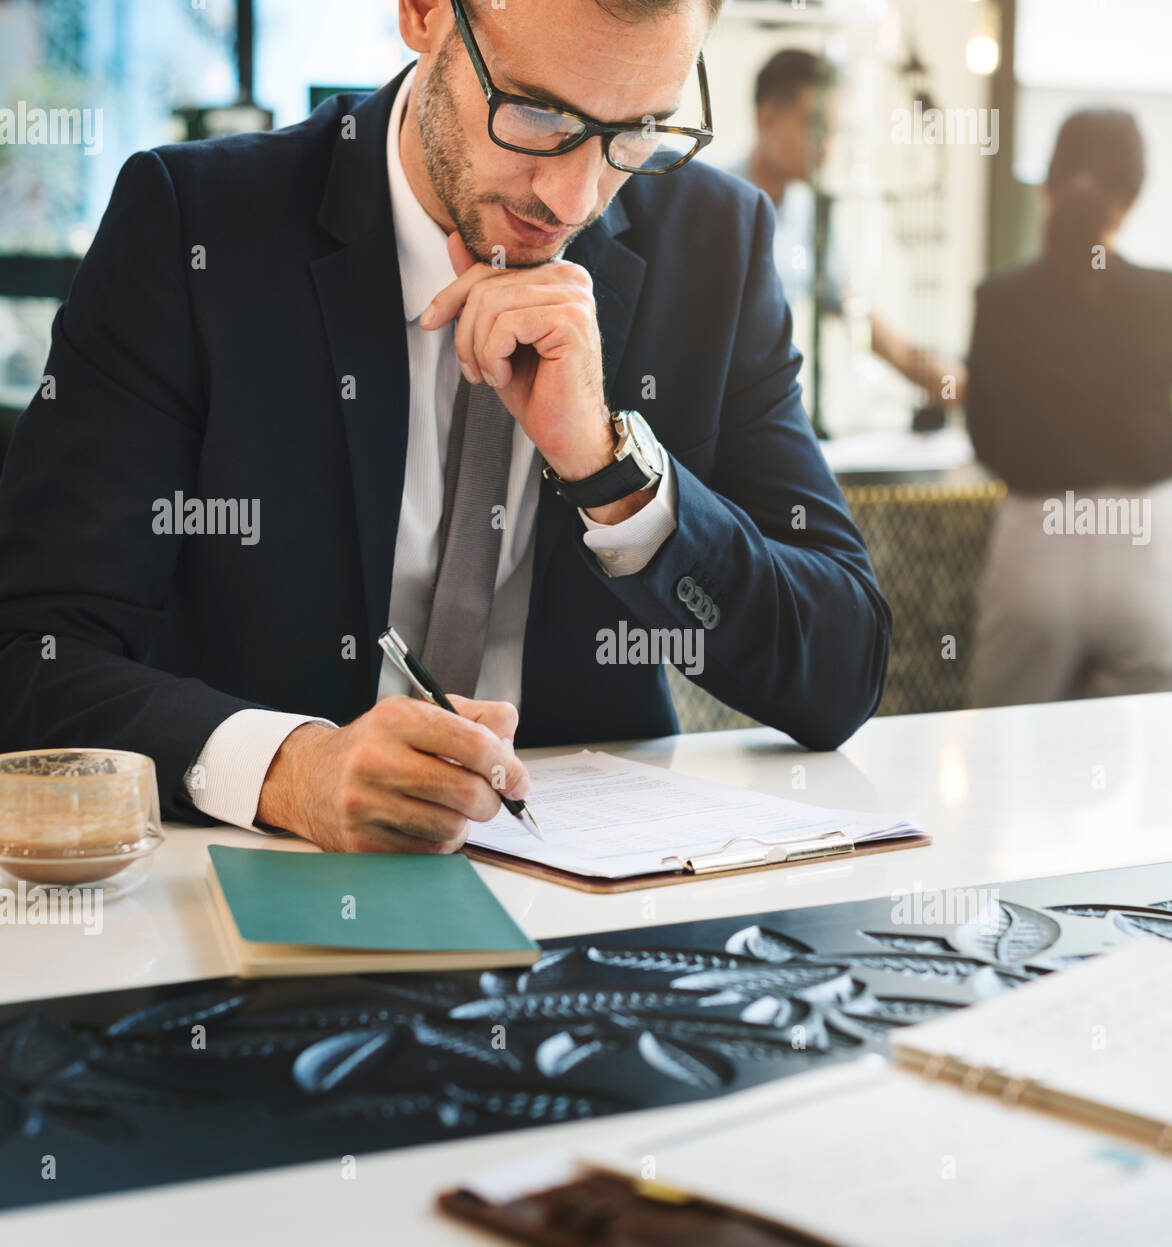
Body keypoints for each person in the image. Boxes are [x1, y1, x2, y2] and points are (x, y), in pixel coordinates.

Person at [0, 0, 892, 855]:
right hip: (251, 899)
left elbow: (841, 671)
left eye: (637, 132)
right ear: (424, 11)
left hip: (599, 920)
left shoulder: (717, 245)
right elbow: (31, 651)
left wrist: (611, 471)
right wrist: (291, 771)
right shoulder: (195, 225)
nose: (575, 197)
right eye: (540, 115)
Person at [966, 108, 1172, 707]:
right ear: (1134, 193)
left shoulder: (999, 298)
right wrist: (1171, 444)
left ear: (1049, 184)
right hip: (1151, 549)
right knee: (1164, 762)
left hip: (1036, 550)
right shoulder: (1171, 297)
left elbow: (984, 437)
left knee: (1003, 763)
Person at [736, 48, 964, 406]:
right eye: (812, 126)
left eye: (830, 130)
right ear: (766, 120)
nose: (824, 146)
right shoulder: (708, 198)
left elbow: (856, 312)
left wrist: (948, 381)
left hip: (768, 403)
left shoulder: (810, 212)